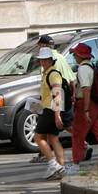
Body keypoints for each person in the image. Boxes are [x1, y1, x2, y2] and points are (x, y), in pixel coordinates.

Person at [70, 42, 98, 171]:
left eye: (75, 55)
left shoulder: (83, 69)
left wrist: (86, 109)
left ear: (80, 56)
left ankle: (75, 165)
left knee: (78, 135)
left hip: (86, 103)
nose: (74, 57)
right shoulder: (93, 67)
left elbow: (86, 89)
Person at [35, 47, 71, 180]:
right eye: (41, 60)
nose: (43, 62)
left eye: (46, 60)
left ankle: (52, 164)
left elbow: (57, 94)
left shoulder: (53, 74)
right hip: (49, 109)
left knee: (38, 137)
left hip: (51, 110)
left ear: (51, 60)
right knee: (53, 138)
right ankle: (61, 167)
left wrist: (57, 114)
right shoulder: (47, 74)